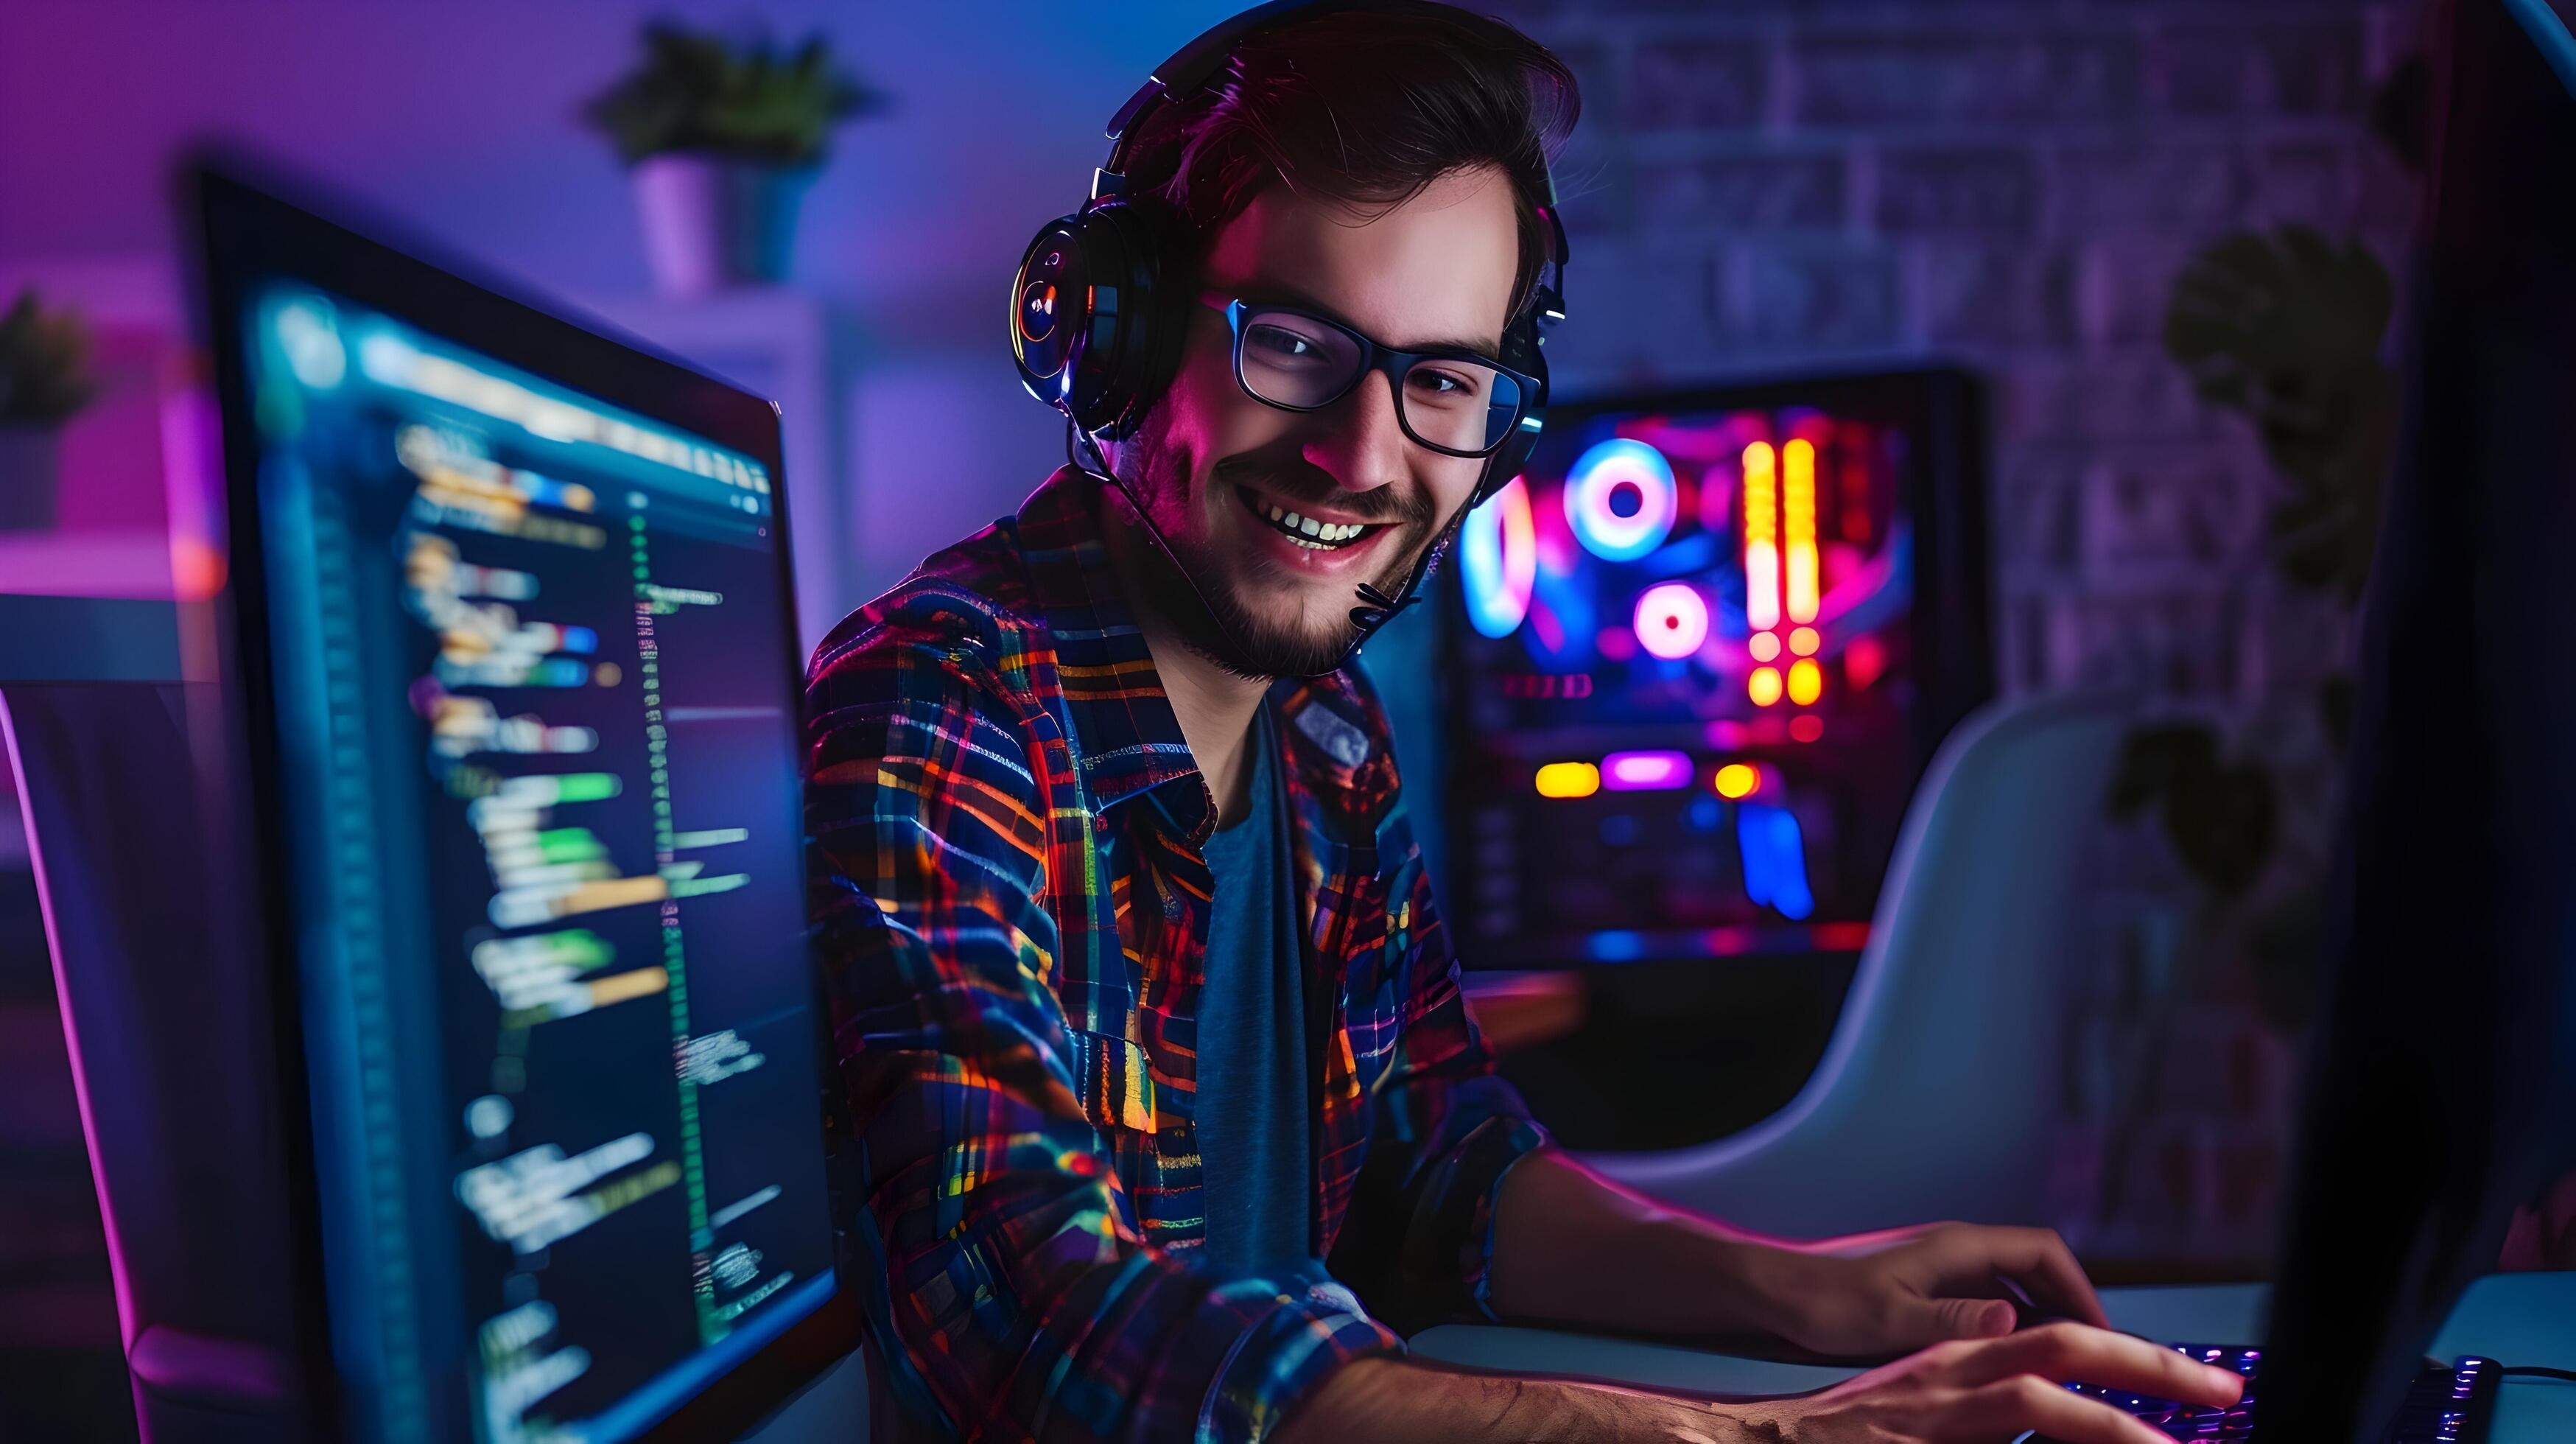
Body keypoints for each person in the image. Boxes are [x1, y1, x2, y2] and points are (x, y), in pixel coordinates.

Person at [801, 4, 2243, 1439]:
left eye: (1439, 380)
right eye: (1295, 341)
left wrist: (1801, 1295)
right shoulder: (940, 714)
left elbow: (1441, 1162)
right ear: (1115, 330)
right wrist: (1756, 1436)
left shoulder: (1323, 729)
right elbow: (1030, 1315)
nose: (1362, 457)